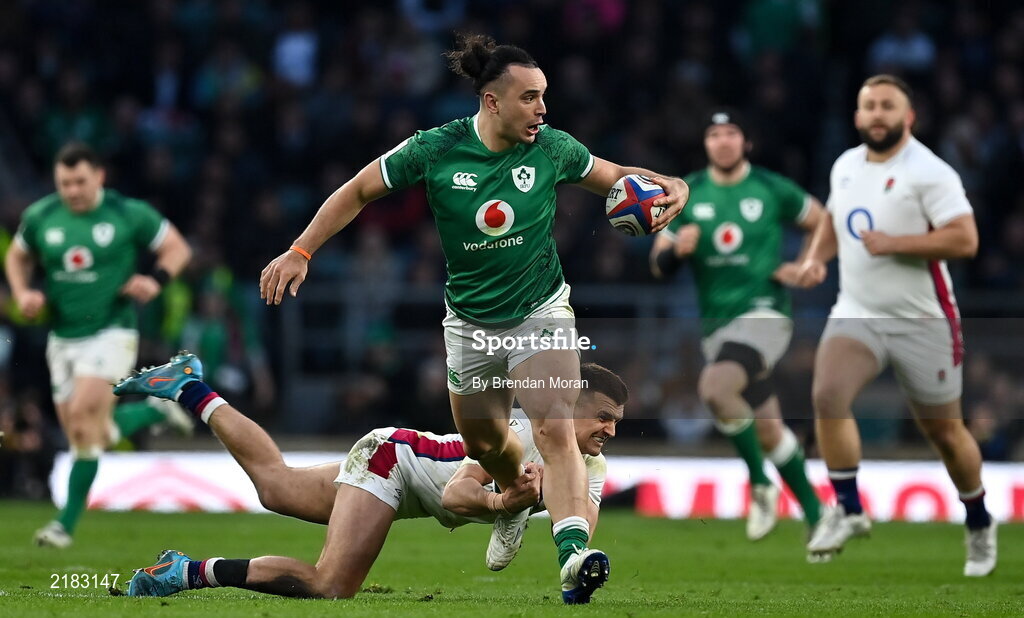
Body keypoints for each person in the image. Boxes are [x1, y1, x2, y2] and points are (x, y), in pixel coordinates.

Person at [258, 33, 687, 601]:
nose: (542, 109)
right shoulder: (435, 149)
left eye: (544, 97)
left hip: (542, 309)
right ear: (492, 102)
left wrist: (674, 185)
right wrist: (301, 249)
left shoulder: (553, 148)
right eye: (530, 98)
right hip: (469, 325)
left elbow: (616, 175)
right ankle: (513, 498)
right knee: (484, 444)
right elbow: (359, 190)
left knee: (554, 423)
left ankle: (571, 555)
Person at [113, 354, 627, 602]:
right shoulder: (521, 432)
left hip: (405, 479)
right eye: (602, 416)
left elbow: (581, 536)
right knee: (332, 586)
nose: (609, 429)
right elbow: (456, 491)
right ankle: (184, 572)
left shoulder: (591, 467)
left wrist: (578, 580)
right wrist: (500, 507)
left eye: (617, 423)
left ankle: (187, 387)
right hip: (395, 461)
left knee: (275, 486)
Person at [796, 74, 996, 575]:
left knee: (946, 433)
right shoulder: (845, 165)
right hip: (857, 311)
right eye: (870, 106)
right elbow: (835, 220)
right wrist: (816, 259)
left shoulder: (931, 172)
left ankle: (978, 521)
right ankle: (848, 508)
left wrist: (898, 243)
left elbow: (966, 240)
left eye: (888, 106)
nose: (878, 114)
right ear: (858, 117)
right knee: (827, 395)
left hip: (923, 321)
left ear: (908, 117)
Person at [5, 142, 192, 548]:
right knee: (84, 433)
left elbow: (177, 248)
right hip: (62, 335)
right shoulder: (41, 216)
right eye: (64, 183)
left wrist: (154, 281)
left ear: (99, 177)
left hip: (113, 329)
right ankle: (151, 411)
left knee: (84, 417)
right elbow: (17, 258)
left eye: (80, 181)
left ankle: (64, 526)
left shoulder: (128, 214)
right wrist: (22, 293)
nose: (72, 191)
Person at [650, 110, 825, 542]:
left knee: (714, 387)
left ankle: (760, 485)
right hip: (718, 328)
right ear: (706, 144)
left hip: (766, 314)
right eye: (714, 134)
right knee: (767, 429)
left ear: (746, 143)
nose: (723, 141)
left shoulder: (769, 187)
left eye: (731, 133)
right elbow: (658, 264)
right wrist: (677, 253)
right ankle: (821, 515)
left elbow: (821, 220)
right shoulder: (688, 192)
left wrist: (805, 264)